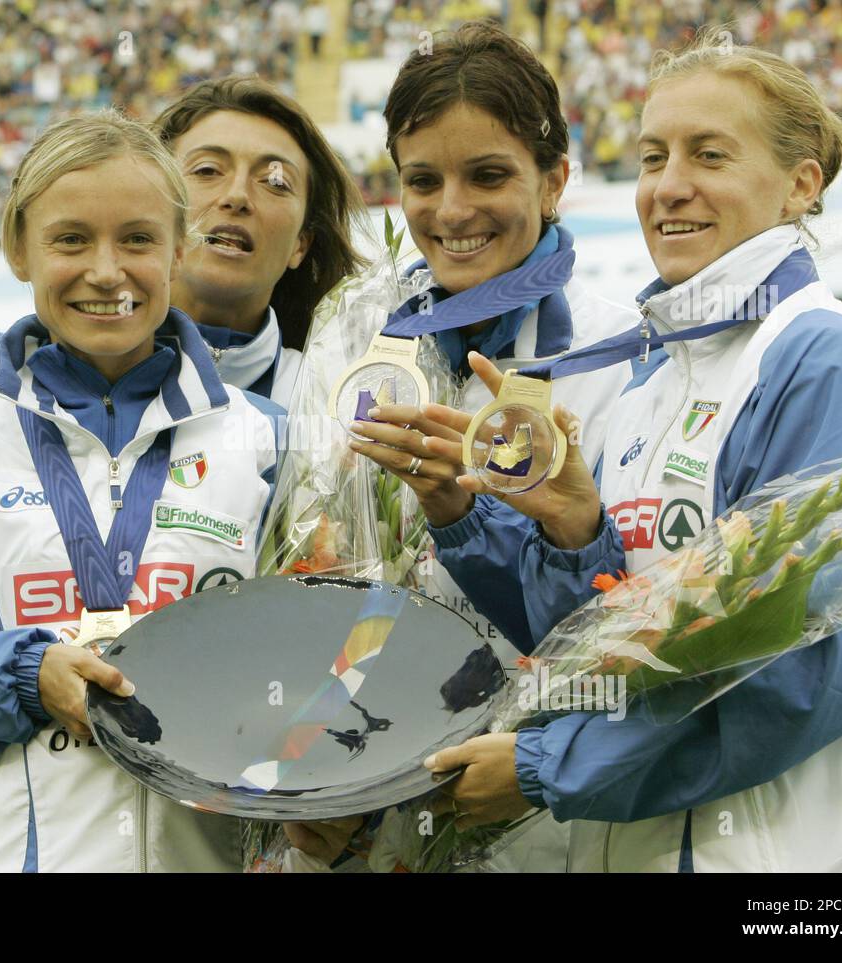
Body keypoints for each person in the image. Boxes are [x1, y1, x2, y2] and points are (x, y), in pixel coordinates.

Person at [418, 33, 842, 872]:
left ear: (801, 184)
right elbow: (607, 649)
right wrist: (568, 530)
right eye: (653, 156)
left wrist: (550, 766)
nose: (669, 185)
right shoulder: (655, 375)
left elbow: (807, 672)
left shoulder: (816, 359)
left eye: (710, 154)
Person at [0, 111, 283, 872]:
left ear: (179, 249)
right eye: (71, 239)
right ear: (17, 249)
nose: (106, 271)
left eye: (137, 239)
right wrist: (22, 676)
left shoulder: (268, 442)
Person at [340, 21, 638, 870]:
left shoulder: (627, 359)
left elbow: (635, 631)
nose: (452, 210)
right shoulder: (366, 358)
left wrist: (490, 520)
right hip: (383, 798)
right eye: (422, 180)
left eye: (489, 175)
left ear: (555, 183)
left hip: (561, 827)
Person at [156, 75, 367, 409]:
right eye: (208, 170)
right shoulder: (63, 369)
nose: (237, 196)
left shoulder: (338, 405)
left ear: (301, 243)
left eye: (275, 182)